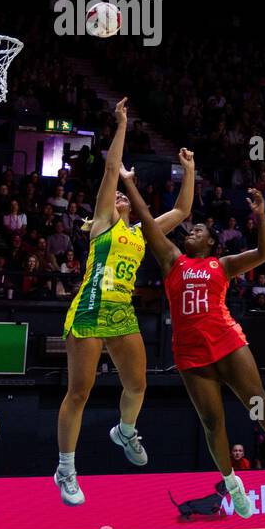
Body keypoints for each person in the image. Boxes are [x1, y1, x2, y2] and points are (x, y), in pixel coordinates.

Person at [119, 171, 265, 516]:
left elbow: (264, 253)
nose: (191, 231)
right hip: (191, 355)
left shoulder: (221, 264)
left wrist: (260, 216)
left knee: (256, 404)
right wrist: (131, 183)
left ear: (210, 242)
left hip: (226, 343)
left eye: (198, 231)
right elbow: (149, 224)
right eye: (190, 230)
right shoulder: (172, 261)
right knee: (213, 423)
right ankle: (233, 485)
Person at [54, 98, 195, 506]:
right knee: (79, 392)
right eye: (113, 195)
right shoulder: (101, 224)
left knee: (137, 384)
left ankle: (125, 431)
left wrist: (189, 170)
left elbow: (183, 210)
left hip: (121, 314)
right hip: (88, 311)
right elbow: (112, 169)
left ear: (129, 207)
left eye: (121, 197)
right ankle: (66, 470)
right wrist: (121, 124)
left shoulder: (141, 233)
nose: (116, 196)